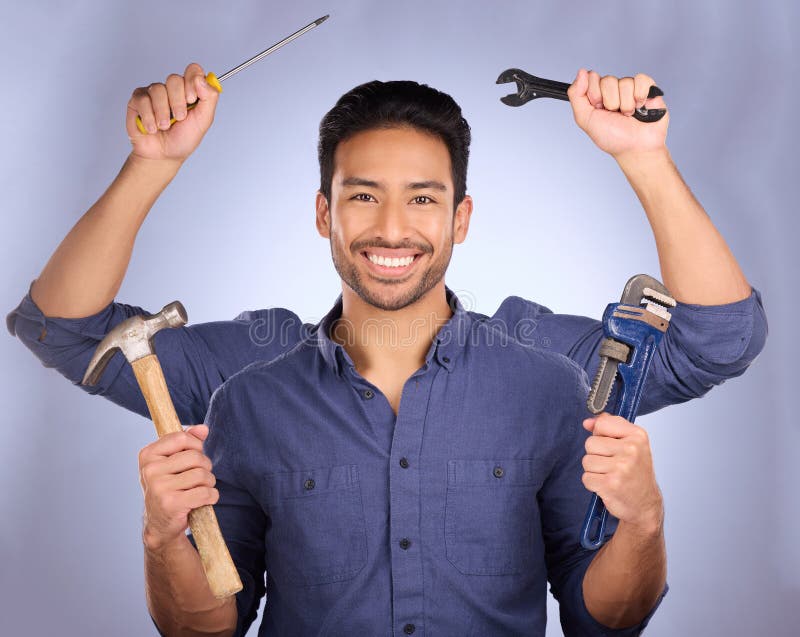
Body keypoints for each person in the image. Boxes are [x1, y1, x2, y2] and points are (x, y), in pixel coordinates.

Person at [6, 64, 766, 635]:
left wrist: (643, 523)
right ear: (322, 213)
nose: (392, 228)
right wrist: (153, 163)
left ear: (461, 217)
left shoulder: (550, 373)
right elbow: (63, 326)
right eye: (362, 195)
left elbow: (720, 337)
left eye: (424, 198)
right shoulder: (243, 380)